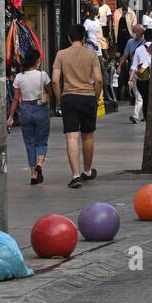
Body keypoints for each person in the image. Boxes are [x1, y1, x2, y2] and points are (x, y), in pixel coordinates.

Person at [52, 23, 102, 188]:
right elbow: (99, 79)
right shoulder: (91, 55)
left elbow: (54, 80)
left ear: (68, 37)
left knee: (71, 136)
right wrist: (95, 96)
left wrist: (59, 99)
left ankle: (75, 175)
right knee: (87, 135)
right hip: (88, 97)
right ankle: (87, 171)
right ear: (83, 38)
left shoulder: (61, 54)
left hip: (69, 98)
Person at [8, 47, 54, 185]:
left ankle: (33, 174)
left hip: (25, 109)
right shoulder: (42, 75)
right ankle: (40, 163)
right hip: (40, 108)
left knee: (29, 143)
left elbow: (16, 99)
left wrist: (10, 116)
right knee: (42, 141)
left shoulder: (19, 77)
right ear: (37, 61)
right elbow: (49, 91)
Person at [120, 24, 146, 123]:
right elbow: (126, 55)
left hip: (145, 72)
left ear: (141, 32)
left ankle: (137, 115)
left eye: (135, 31)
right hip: (134, 71)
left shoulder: (146, 43)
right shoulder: (130, 42)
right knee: (138, 95)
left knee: (142, 96)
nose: (133, 34)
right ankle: (137, 115)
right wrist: (119, 66)